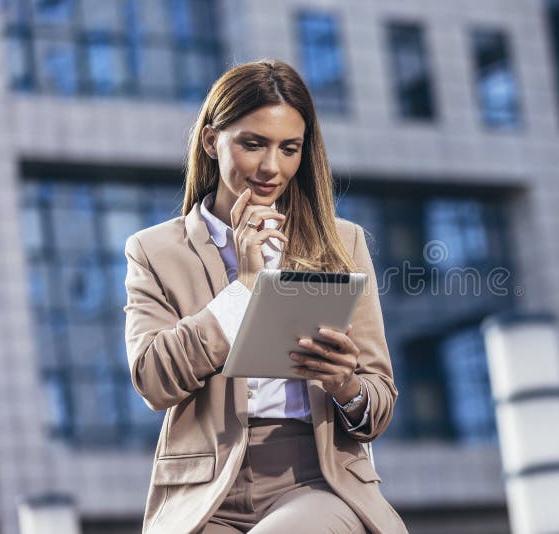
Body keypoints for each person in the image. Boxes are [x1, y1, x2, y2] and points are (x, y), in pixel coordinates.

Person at [123, 59, 407, 534]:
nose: (272, 167)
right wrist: (245, 289)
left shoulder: (342, 243)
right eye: (253, 144)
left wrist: (346, 387)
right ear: (212, 141)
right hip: (202, 491)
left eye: (289, 149)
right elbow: (153, 380)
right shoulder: (154, 250)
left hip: (316, 481)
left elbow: (378, 399)